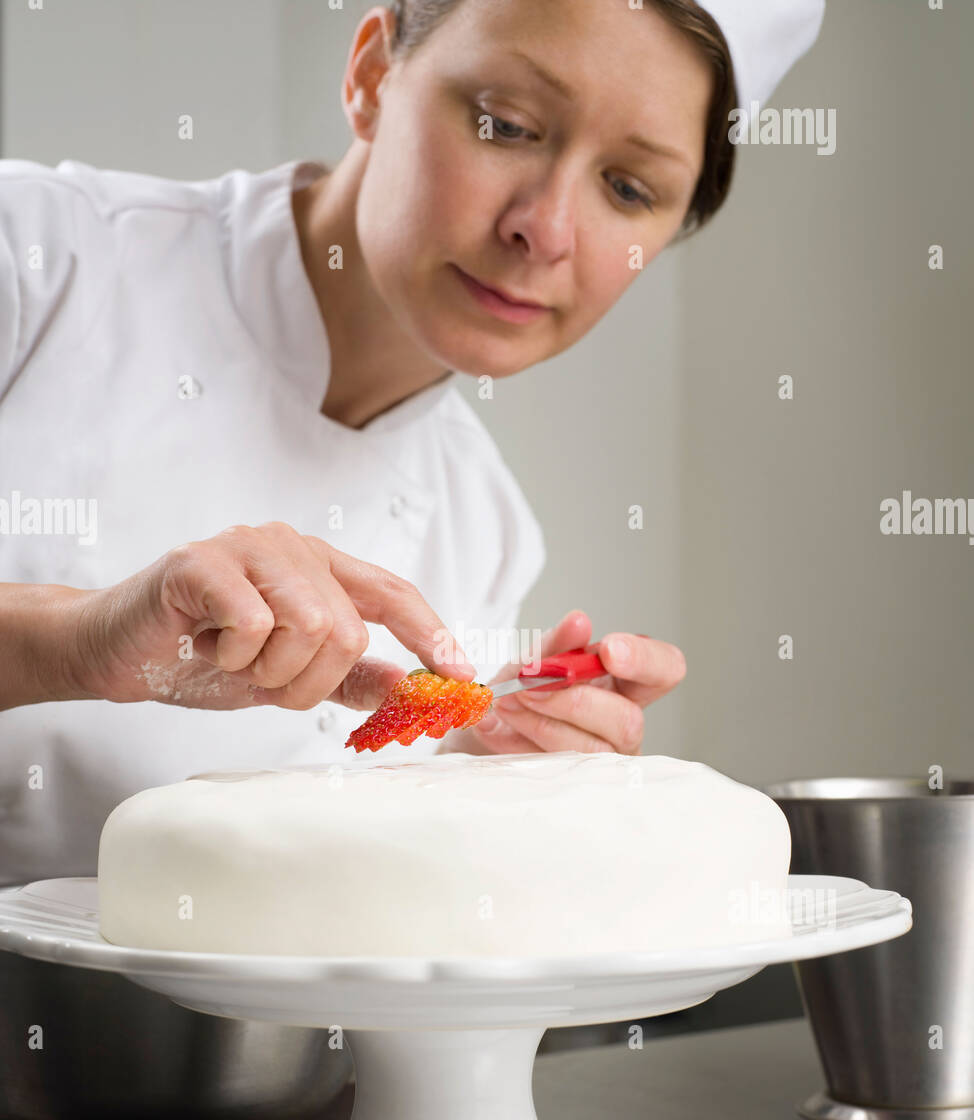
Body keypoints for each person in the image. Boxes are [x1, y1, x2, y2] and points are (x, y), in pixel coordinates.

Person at [0, 0, 825, 885]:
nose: (544, 230)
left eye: (628, 188)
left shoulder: (487, 530)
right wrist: (77, 642)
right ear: (370, 76)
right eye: (504, 125)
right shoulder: (37, 259)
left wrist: (488, 784)